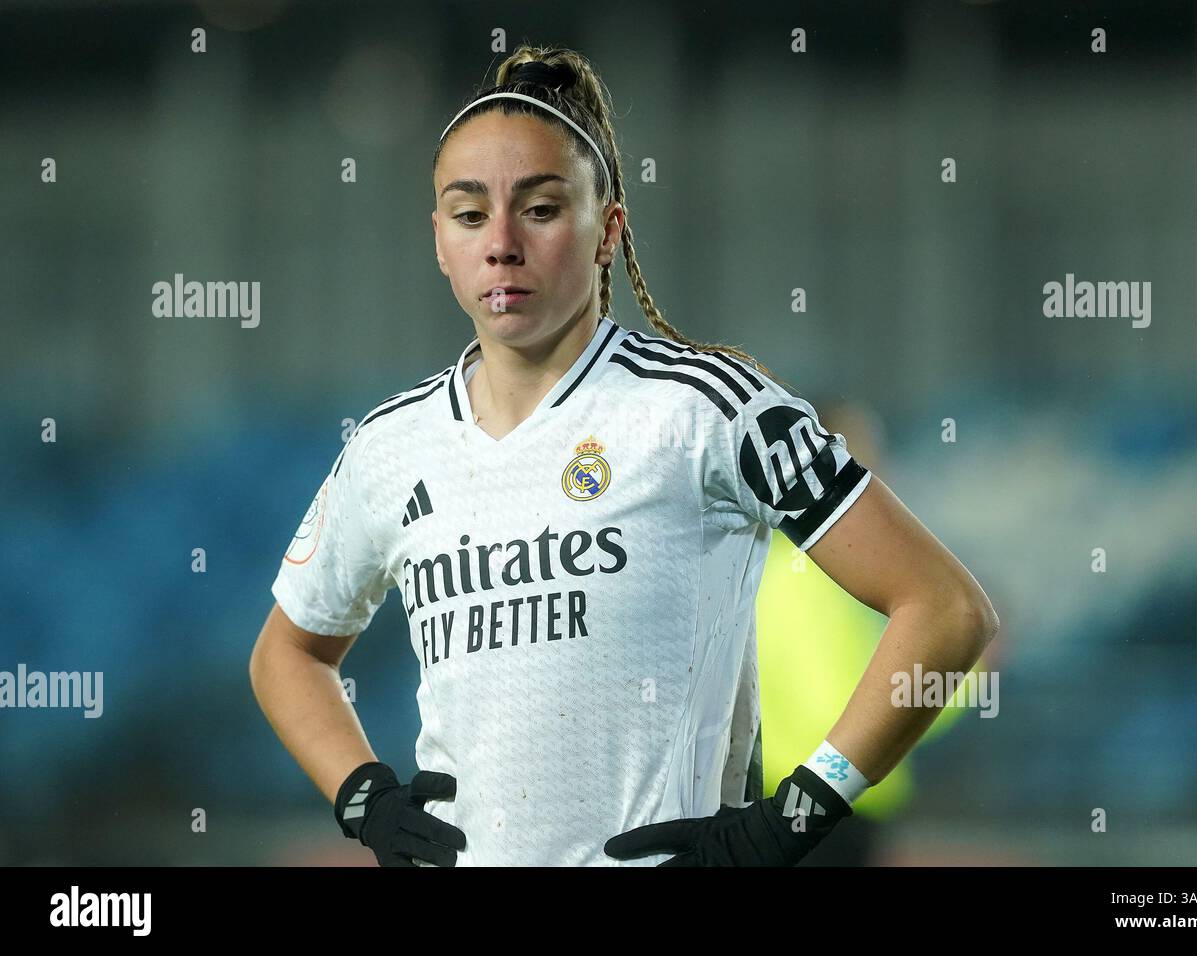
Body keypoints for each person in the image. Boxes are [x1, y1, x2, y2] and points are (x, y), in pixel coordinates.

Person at [249, 45, 999, 867]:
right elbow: (288, 653)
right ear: (439, 241)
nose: (501, 243)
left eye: (538, 209)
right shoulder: (388, 448)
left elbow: (946, 610)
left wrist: (794, 815)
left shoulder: (709, 408)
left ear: (606, 231)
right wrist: (367, 799)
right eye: (469, 215)